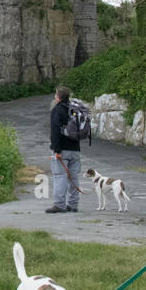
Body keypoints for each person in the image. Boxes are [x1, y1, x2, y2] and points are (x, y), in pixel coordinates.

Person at [47, 85, 81, 213]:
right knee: (74, 177)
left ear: (58, 97)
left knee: (60, 176)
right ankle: (73, 205)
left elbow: (55, 131)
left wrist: (56, 150)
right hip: (75, 149)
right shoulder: (74, 109)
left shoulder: (57, 110)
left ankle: (59, 205)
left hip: (62, 149)